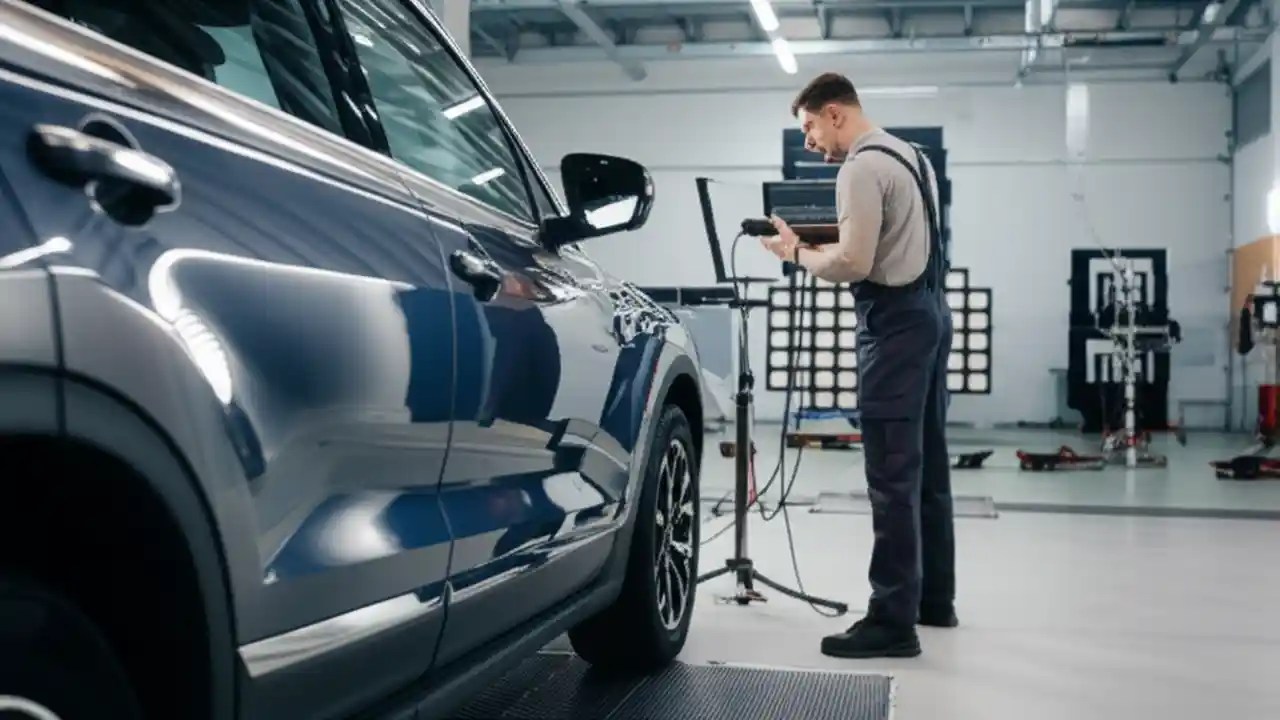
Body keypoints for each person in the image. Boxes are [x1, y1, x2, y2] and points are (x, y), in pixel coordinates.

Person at [759, 72, 957, 659]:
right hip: (929, 314)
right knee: (927, 470)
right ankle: (933, 600)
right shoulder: (912, 158)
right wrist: (817, 237)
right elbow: (888, 235)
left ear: (836, 113)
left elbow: (853, 261)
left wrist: (793, 252)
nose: (810, 142)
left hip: (893, 327)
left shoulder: (860, 167)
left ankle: (892, 622)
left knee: (891, 477)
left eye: (810, 127)